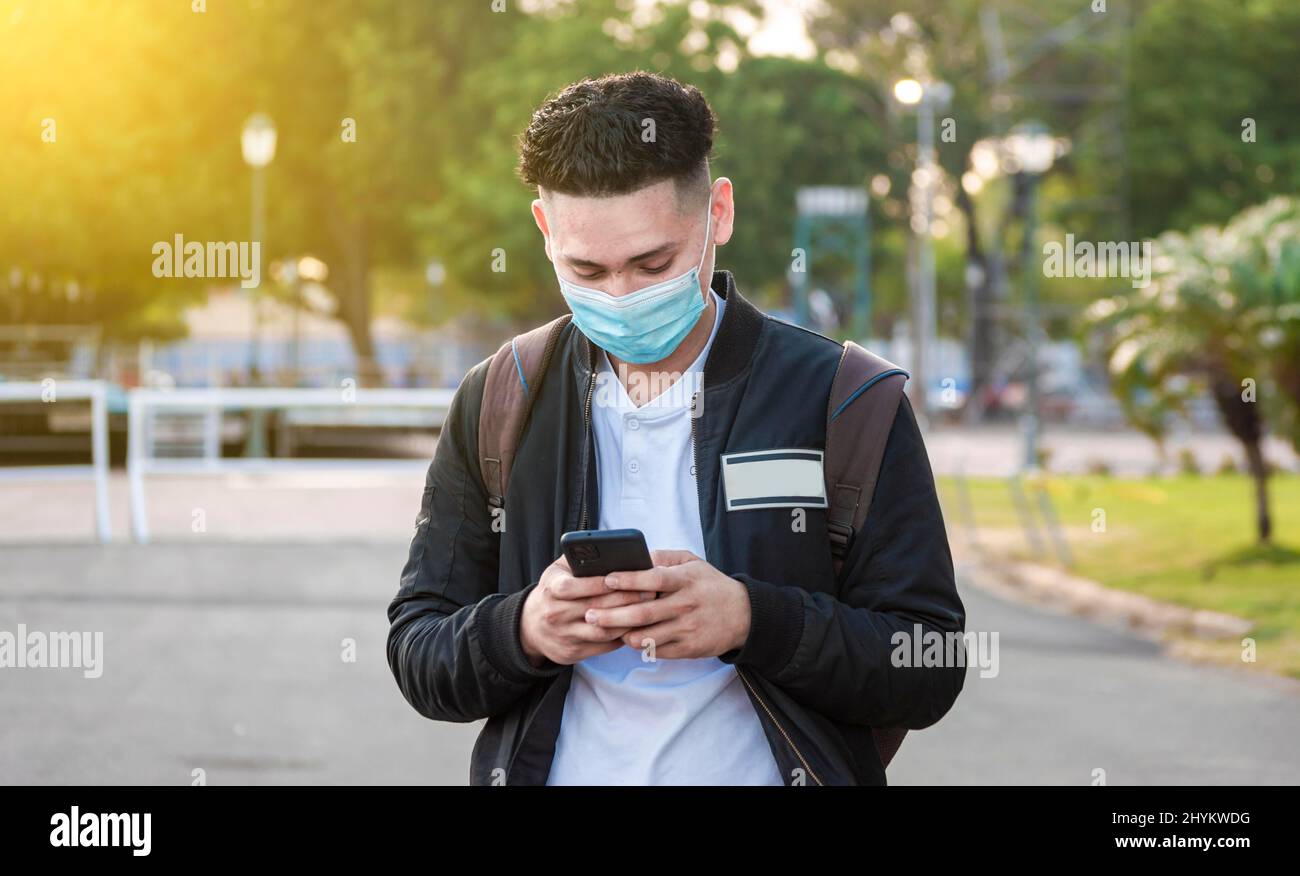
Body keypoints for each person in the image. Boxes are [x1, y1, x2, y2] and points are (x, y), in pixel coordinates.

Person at [386, 71, 966, 785]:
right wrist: (525, 629)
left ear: (717, 214)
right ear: (545, 231)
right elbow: (418, 649)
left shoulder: (847, 400)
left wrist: (755, 621)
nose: (620, 297)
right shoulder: (499, 400)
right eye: (586, 269)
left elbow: (928, 660)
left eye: (652, 263)